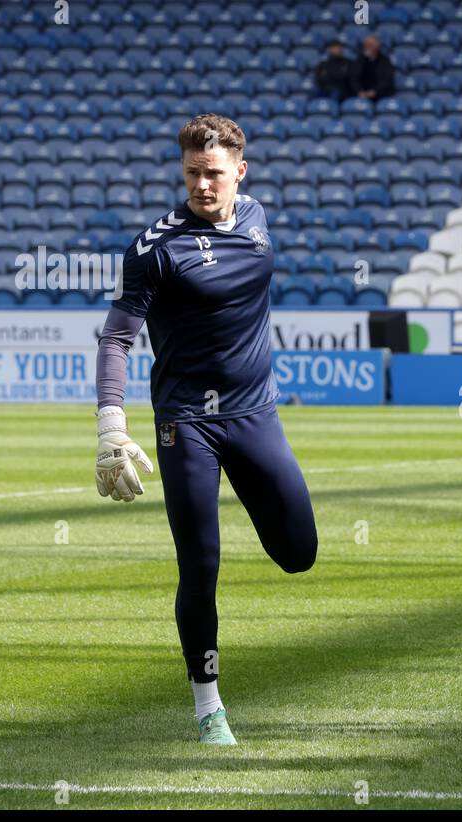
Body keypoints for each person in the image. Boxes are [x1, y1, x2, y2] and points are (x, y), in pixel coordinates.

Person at [94, 114, 318, 746]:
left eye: (213, 173)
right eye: (192, 172)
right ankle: (208, 706)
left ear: (239, 172)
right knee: (200, 564)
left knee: (299, 553)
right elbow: (116, 336)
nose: (202, 185)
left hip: (255, 415)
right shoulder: (153, 248)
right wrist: (111, 421)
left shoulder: (257, 218)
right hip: (186, 422)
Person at [352, 34, 395, 101]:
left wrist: (375, 91)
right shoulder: (359, 60)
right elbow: (353, 77)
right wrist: (359, 91)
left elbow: (387, 79)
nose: (368, 47)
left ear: (378, 46)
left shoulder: (385, 61)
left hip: (381, 95)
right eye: (367, 45)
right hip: (362, 94)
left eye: (371, 44)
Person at [313, 37, 355, 102]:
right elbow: (319, 79)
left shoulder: (348, 63)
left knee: (335, 93)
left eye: (339, 47)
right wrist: (338, 74)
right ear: (329, 49)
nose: (338, 49)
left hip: (343, 91)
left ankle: (331, 110)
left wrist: (328, 74)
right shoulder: (323, 64)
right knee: (314, 95)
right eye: (334, 47)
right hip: (325, 89)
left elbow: (347, 79)